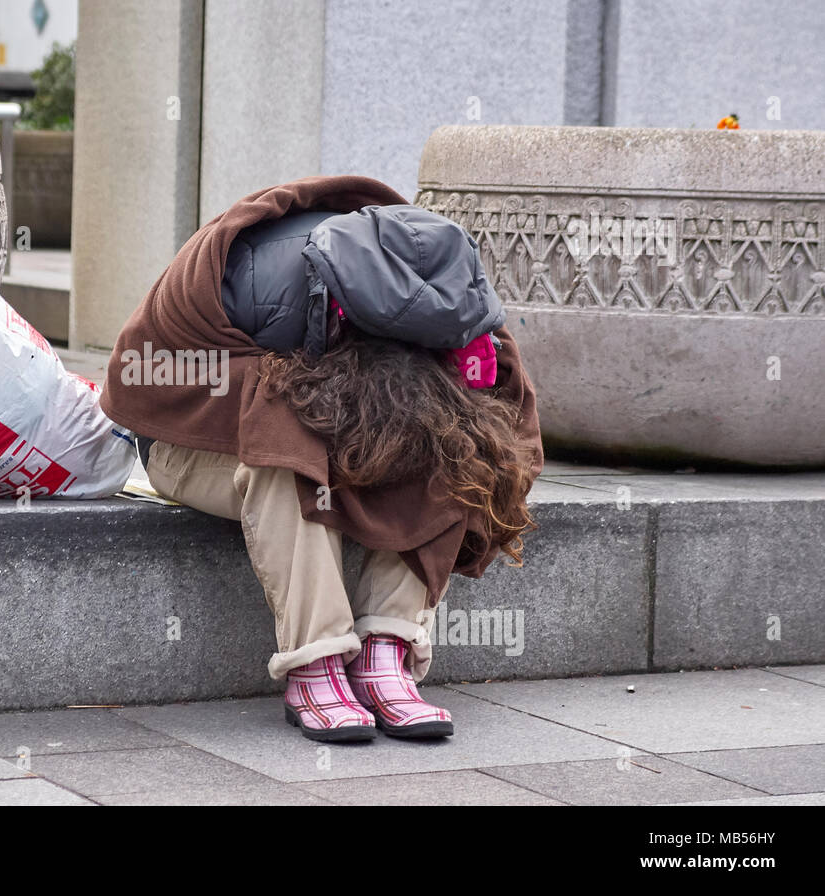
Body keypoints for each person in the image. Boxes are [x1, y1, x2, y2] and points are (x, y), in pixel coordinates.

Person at [100, 176, 543, 744]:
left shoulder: (453, 296)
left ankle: (386, 649)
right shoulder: (251, 283)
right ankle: (316, 662)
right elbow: (139, 380)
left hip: (337, 422)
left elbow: (514, 426)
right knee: (283, 439)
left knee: (460, 444)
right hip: (191, 438)